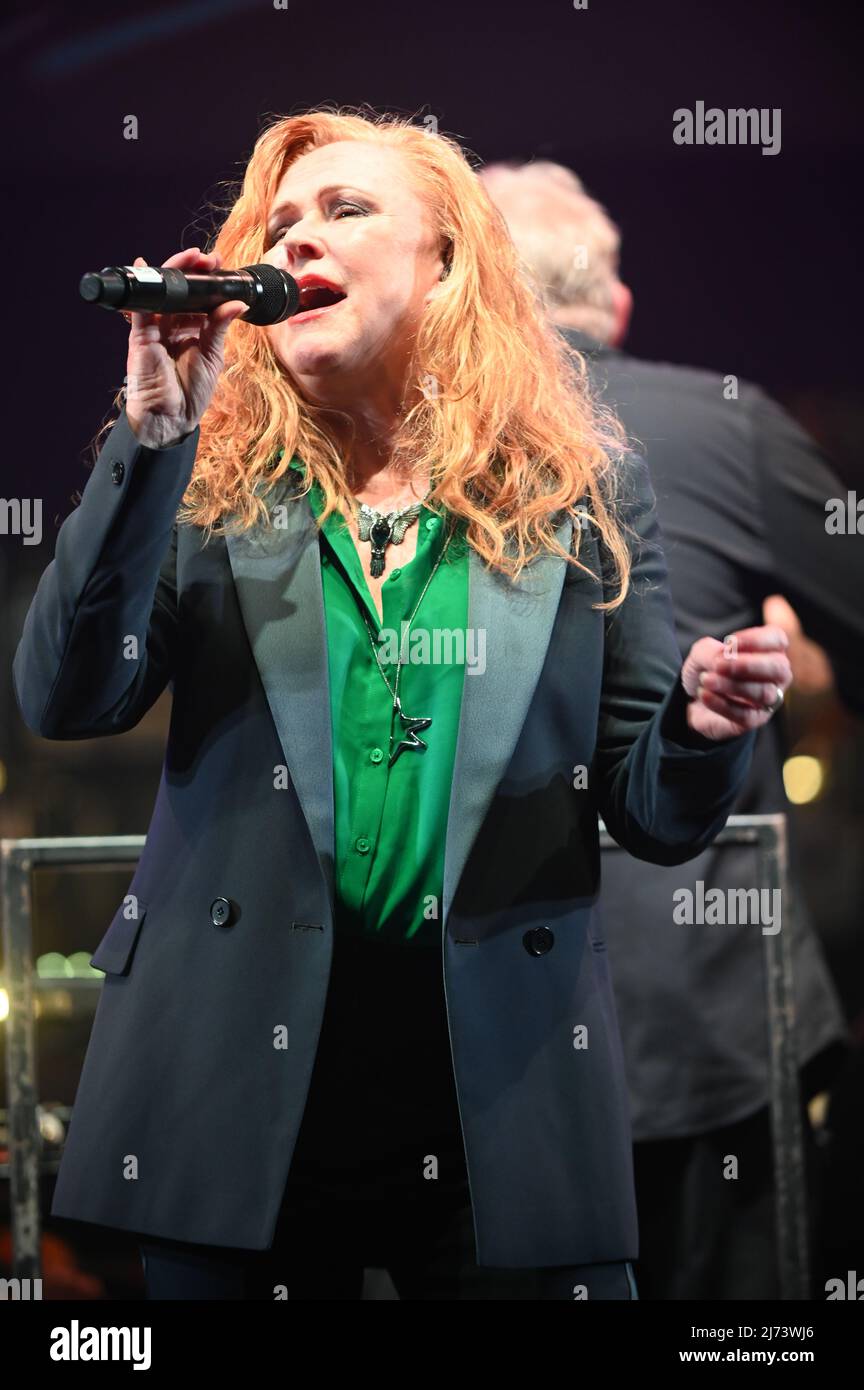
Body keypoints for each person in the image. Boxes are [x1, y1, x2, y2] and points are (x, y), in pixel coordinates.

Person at [13, 110, 790, 1301]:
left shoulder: (578, 487)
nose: (297, 239)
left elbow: (654, 814)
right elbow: (68, 696)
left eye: (344, 210)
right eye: (279, 224)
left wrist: (698, 728)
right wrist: (152, 438)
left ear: (446, 260)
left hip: (503, 1088)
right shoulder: (208, 479)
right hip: (234, 1077)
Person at [480, 158, 860, 1299]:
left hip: (487, 997)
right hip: (710, 1006)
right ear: (619, 306)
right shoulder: (724, 425)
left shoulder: (404, 447)